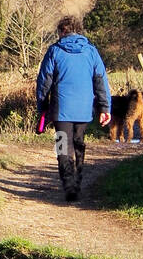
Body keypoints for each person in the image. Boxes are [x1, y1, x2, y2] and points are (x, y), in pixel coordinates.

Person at [35, 16, 112, 202]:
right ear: (79, 31)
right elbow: (101, 80)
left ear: (62, 31)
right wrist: (104, 107)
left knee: (62, 145)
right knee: (78, 142)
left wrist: (42, 106)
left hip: (61, 110)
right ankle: (77, 180)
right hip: (84, 109)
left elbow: (44, 82)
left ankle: (68, 185)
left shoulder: (54, 51)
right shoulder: (91, 52)